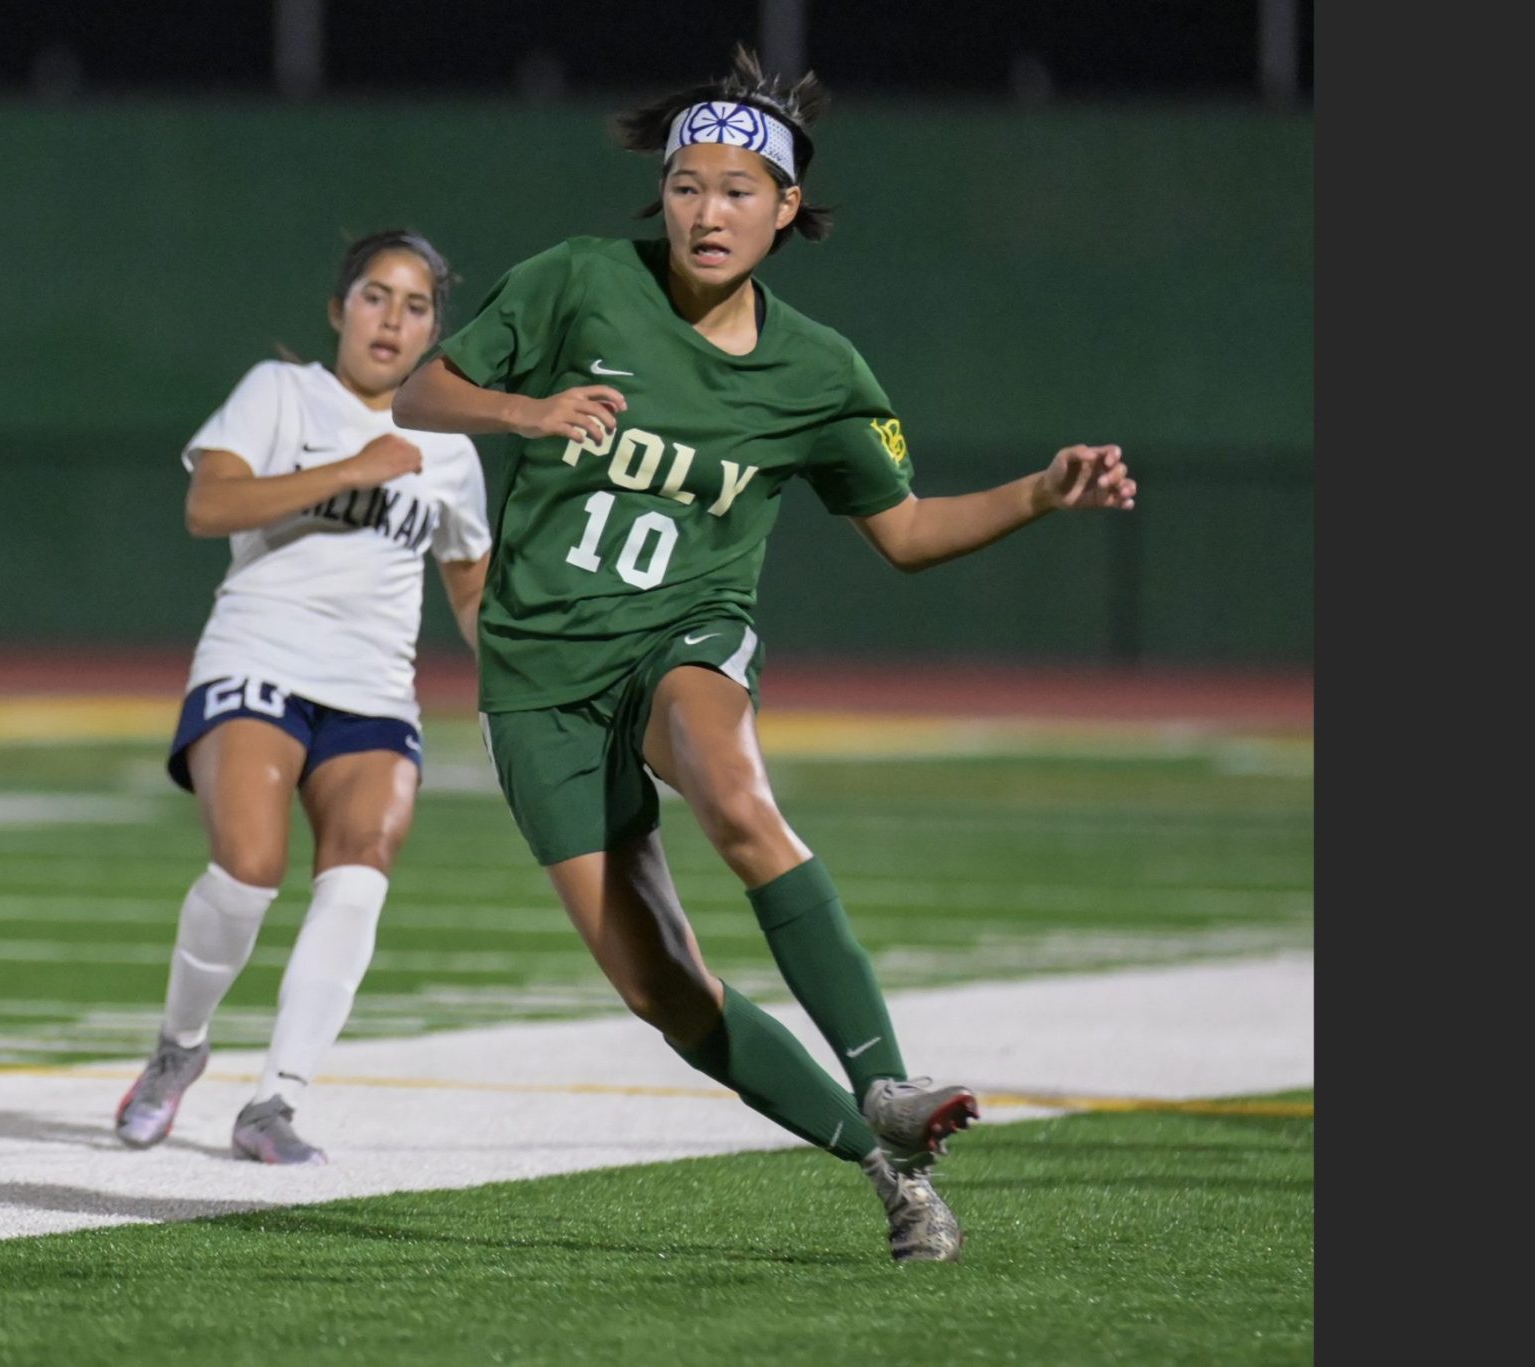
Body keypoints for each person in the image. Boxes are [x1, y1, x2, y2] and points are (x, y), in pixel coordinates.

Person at [389, 49, 1136, 1261]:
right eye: (687, 185)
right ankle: (881, 1159)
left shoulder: (819, 371)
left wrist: (1040, 493)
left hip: (682, 636)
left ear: (786, 207)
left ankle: (887, 1077)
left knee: (733, 787)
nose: (707, 211)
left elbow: (904, 532)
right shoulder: (577, 283)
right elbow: (424, 393)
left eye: (738, 188)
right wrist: (526, 411)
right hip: (535, 678)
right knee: (664, 991)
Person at [114, 231, 493, 1165]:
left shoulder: (446, 449)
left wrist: (536, 680)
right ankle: (179, 1048)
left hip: (374, 688)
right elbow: (210, 506)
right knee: (246, 870)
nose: (391, 319)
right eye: (375, 295)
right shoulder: (280, 392)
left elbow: (473, 587)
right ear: (338, 308)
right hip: (260, 655)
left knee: (360, 871)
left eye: (414, 306)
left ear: (434, 332)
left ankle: (275, 1101)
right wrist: (348, 468)